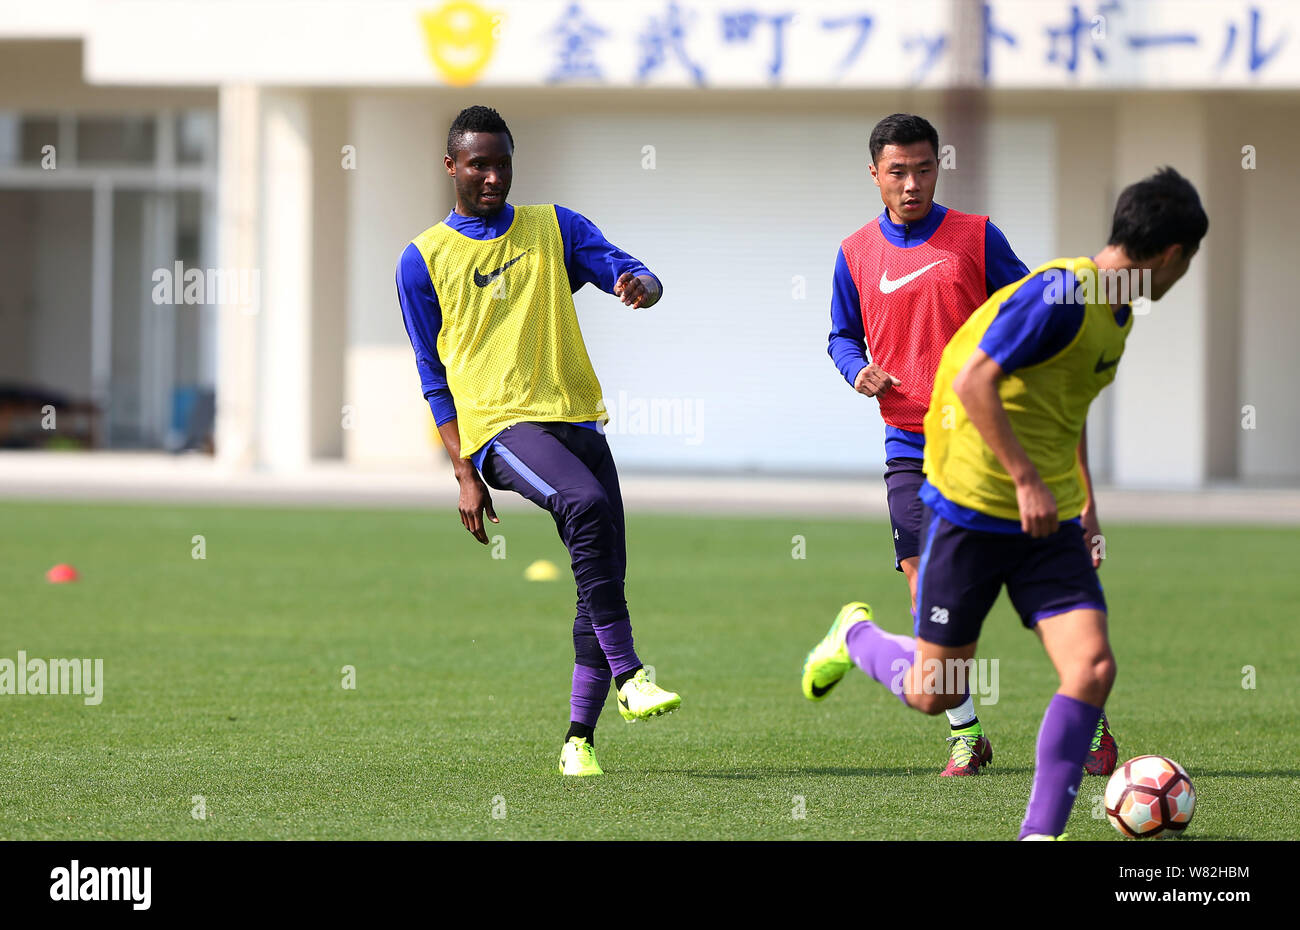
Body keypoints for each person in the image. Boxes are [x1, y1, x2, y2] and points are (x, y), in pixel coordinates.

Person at [815, 167, 1207, 837]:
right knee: (932, 693)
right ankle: (855, 636)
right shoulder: (1060, 293)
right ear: (1171, 256)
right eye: (1187, 263)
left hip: (1044, 522)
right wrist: (1024, 478)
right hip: (969, 509)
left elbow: (1065, 407)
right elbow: (972, 382)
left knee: (1091, 667)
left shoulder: (1117, 314)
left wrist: (1082, 502)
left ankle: (1038, 833)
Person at [803, 113, 1117, 776]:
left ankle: (1089, 727)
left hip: (995, 445)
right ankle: (966, 736)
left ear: (937, 166)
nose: (912, 183)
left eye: (923, 169)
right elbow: (839, 334)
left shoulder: (976, 238)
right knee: (928, 598)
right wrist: (854, 368)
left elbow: (1041, 311)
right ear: (875, 175)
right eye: (898, 172)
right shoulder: (855, 252)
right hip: (910, 448)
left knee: (1051, 588)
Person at [396, 105, 681, 778]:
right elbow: (431, 375)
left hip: (578, 420)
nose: (492, 176)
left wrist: (638, 285)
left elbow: (632, 268)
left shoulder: (554, 227)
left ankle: (577, 742)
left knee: (602, 576)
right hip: (500, 428)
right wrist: (463, 472)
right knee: (582, 506)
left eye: (501, 162)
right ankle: (632, 676)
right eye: (478, 164)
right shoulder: (424, 259)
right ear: (451, 167)